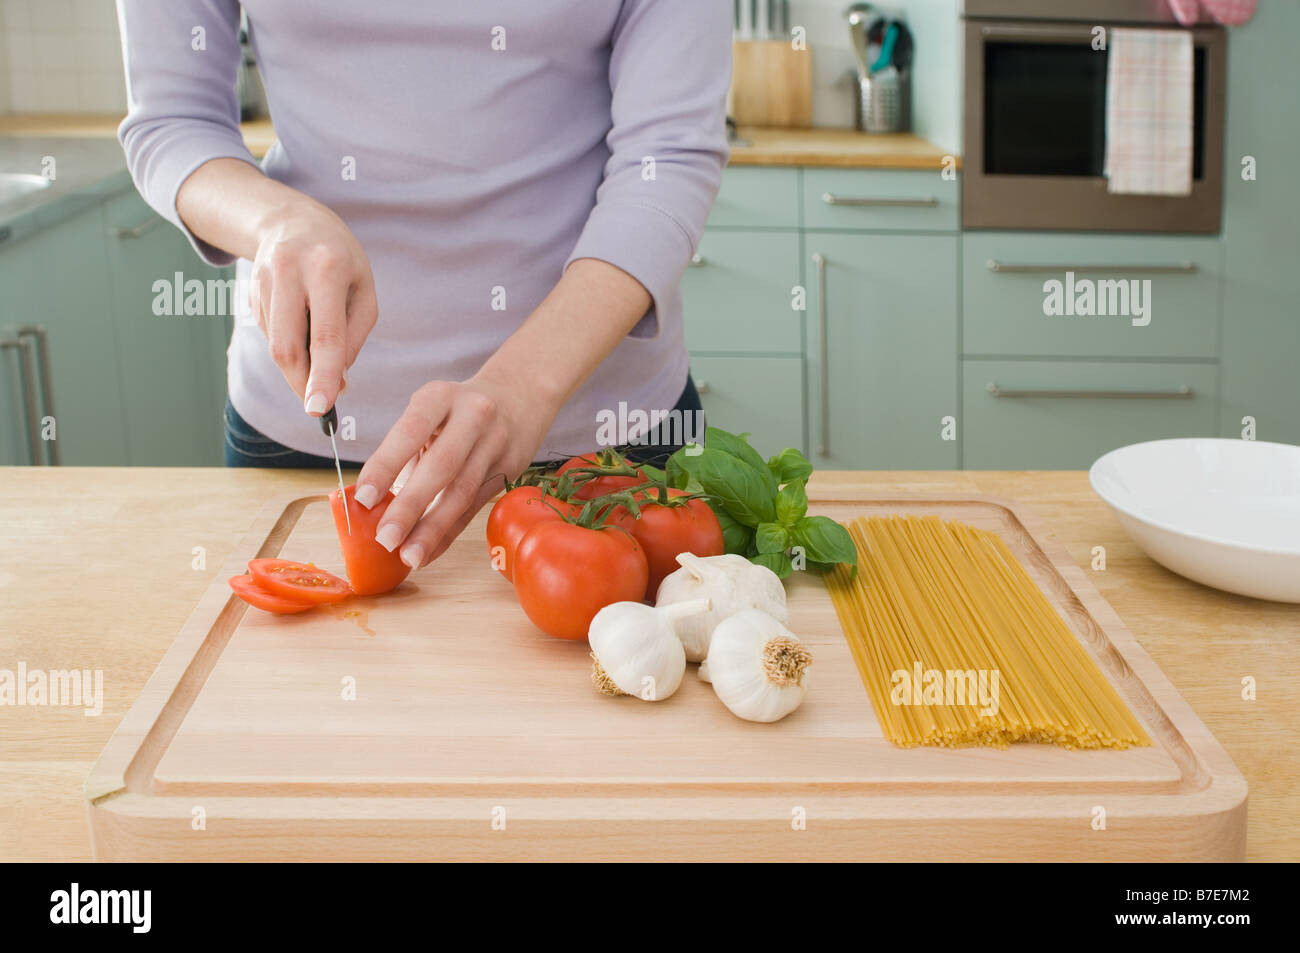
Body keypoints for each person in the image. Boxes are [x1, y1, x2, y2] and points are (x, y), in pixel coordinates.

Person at [117, 1, 731, 570]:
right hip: (310, 433)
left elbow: (667, 155)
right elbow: (173, 119)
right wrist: (275, 220)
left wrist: (524, 387)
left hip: (601, 432)